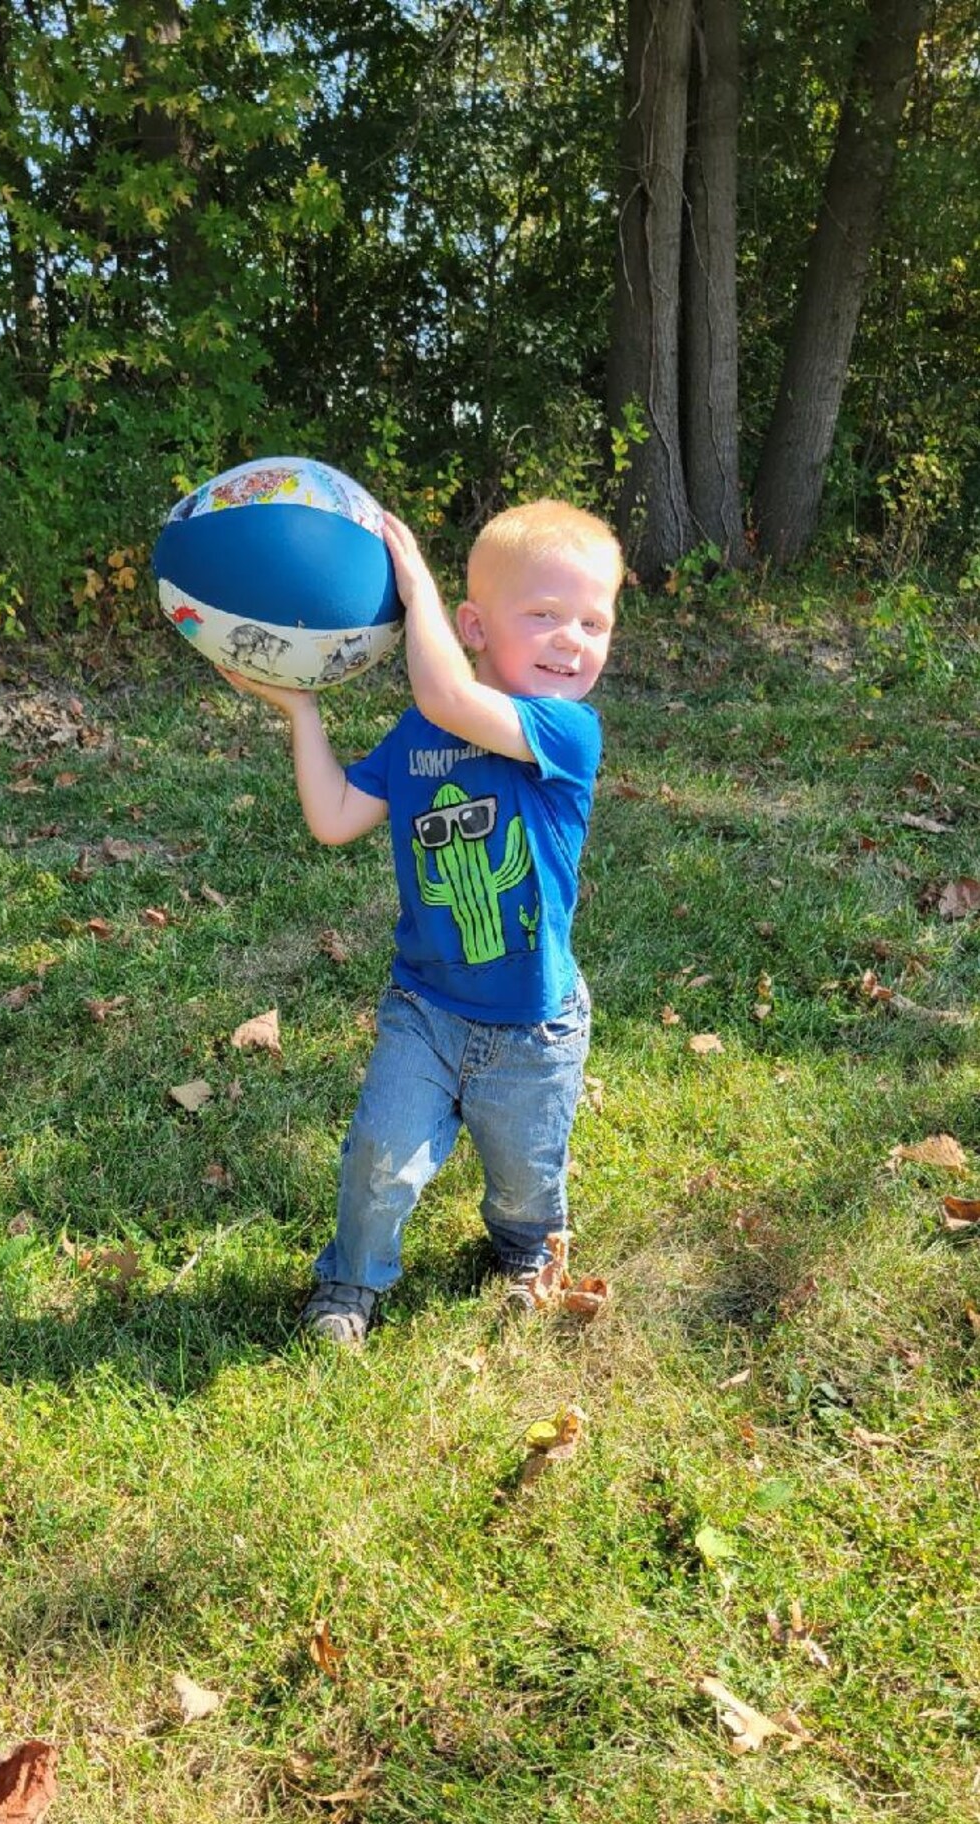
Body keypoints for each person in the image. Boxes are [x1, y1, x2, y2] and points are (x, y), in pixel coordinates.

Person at [222, 498, 623, 1342]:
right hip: (427, 1010)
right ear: (474, 625)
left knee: (523, 1180)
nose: (571, 639)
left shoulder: (566, 730)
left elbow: (445, 691)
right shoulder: (420, 736)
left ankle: (522, 1250)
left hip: (532, 1026)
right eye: (544, 615)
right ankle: (349, 1286)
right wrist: (302, 712)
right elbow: (333, 816)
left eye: (594, 620)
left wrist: (416, 585)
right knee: (379, 1157)